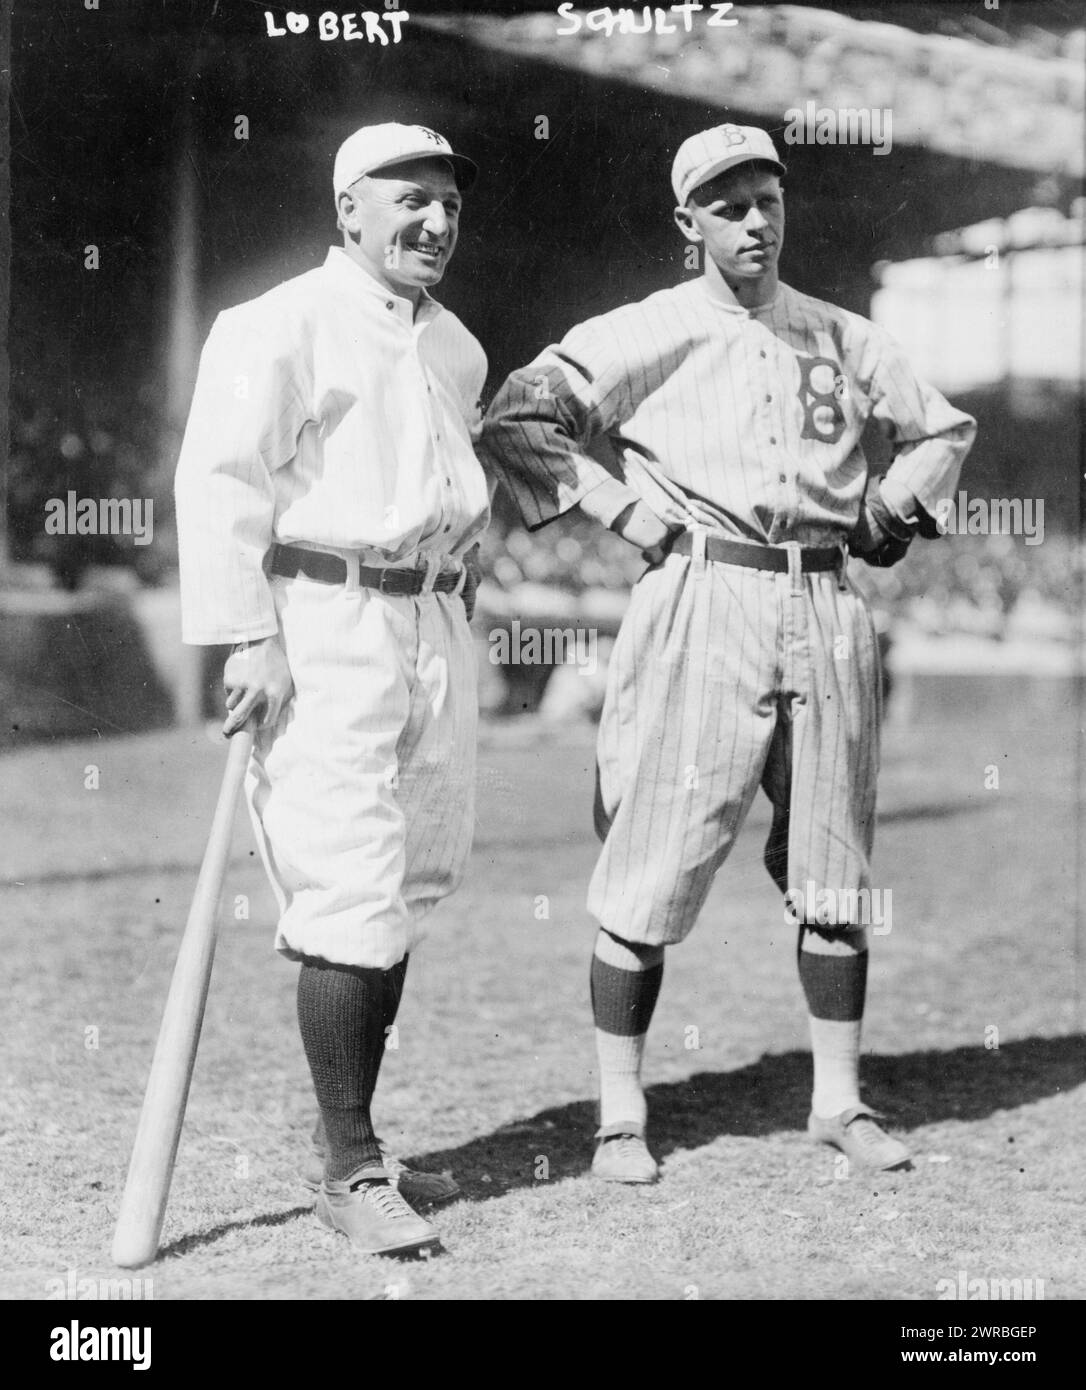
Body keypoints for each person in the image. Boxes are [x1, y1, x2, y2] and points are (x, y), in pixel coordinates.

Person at [479, 124, 976, 1183]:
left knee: (835, 867)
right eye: (727, 204)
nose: (755, 221)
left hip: (826, 600)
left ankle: (839, 1100)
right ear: (687, 223)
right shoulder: (647, 331)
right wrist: (617, 508)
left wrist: (889, 505)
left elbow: (944, 429)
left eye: (768, 200)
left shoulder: (841, 335)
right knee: (650, 863)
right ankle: (621, 1114)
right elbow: (517, 415)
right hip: (702, 597)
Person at [174, 122, 489, 1253]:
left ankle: (364, 1153)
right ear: (348, 208)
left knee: (408, 877)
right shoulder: (276, 324)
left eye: (450, 203)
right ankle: (350, 1168)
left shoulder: (457, 347)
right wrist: (247, 636)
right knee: (348, 884)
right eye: (410, 200)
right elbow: (218, 480)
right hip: (324, 617)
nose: (436, 222)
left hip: (433, 619)